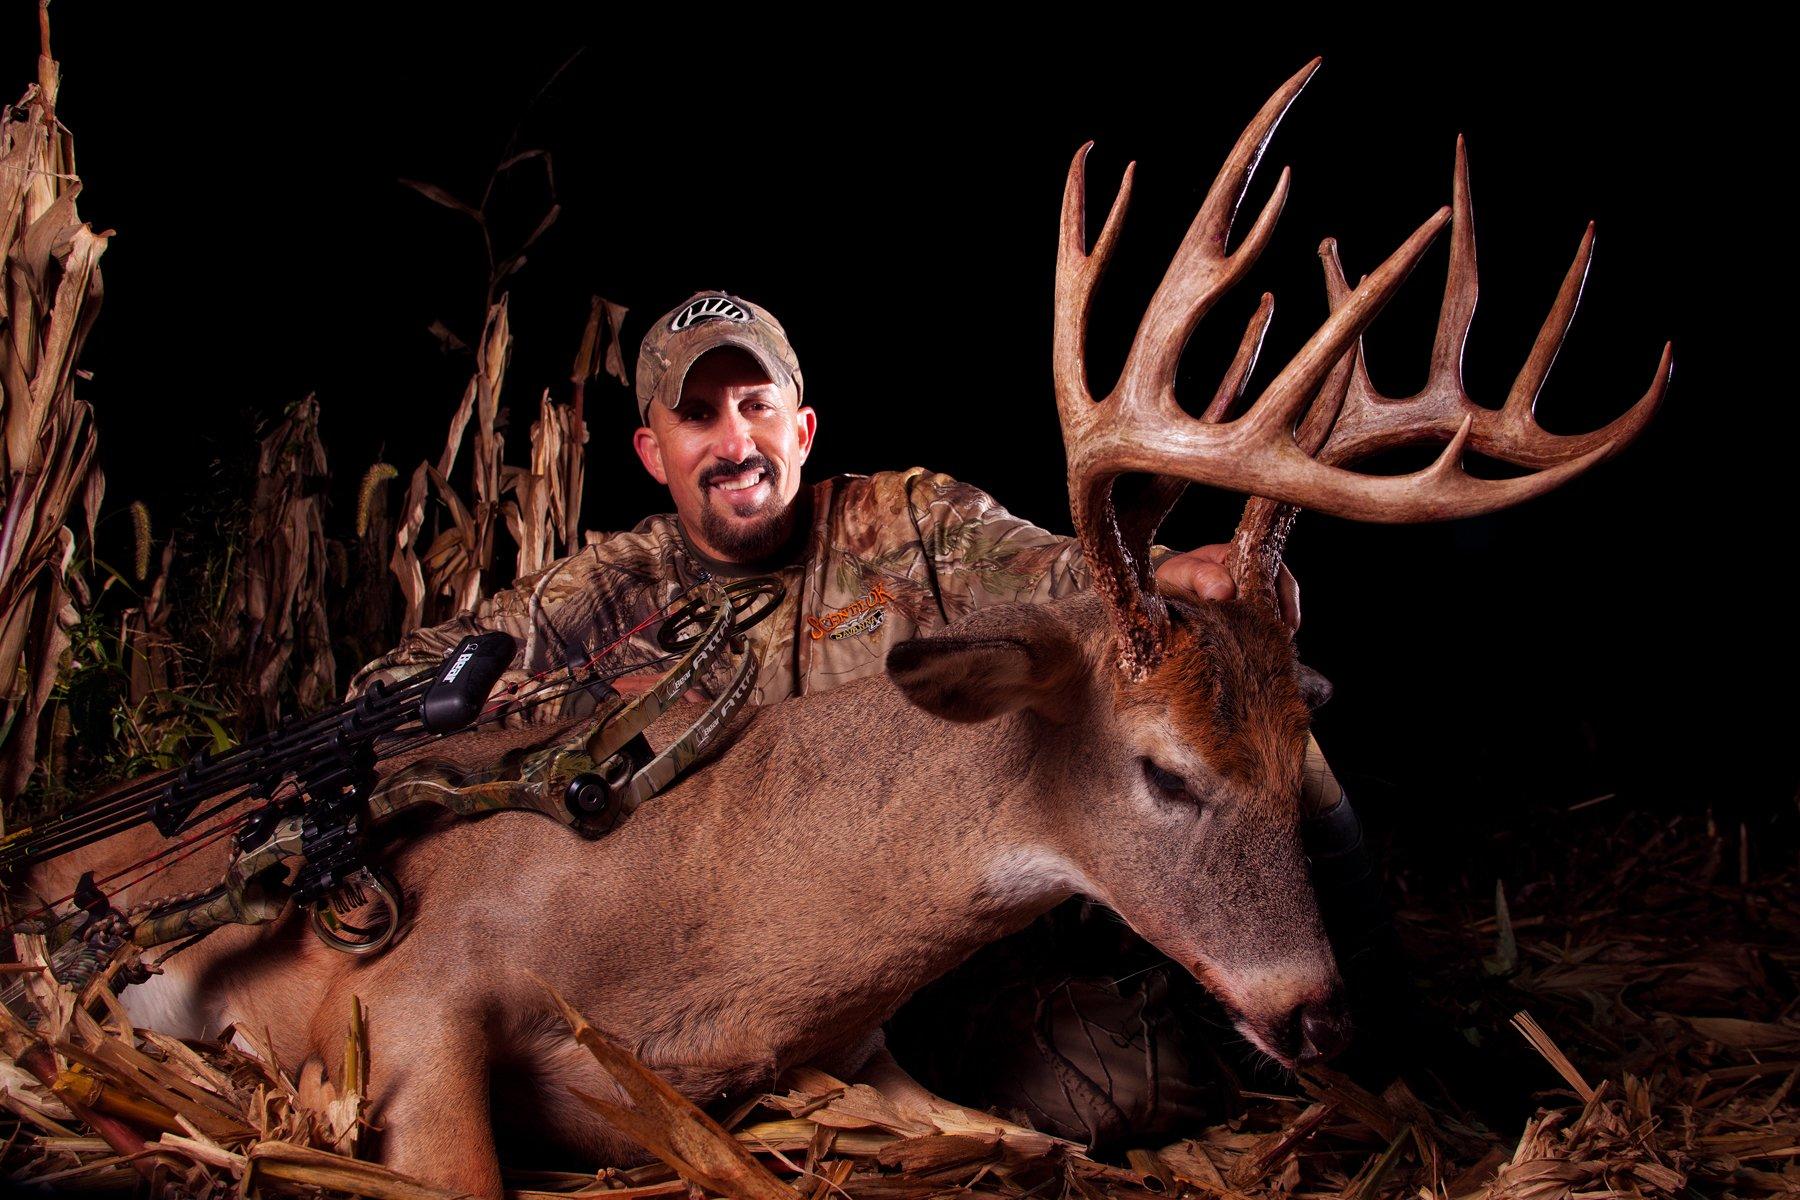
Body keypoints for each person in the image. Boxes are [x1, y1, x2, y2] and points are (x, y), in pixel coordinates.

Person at [350, 289, 1380, 1145]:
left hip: (916, 951)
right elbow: (397, 694)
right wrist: (565, 716)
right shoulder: (604, 593)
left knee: (1133, 1088)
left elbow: (1067, 584)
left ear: (801, 429)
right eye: (698, 417)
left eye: (756, 405)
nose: (735, 441)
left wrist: (1170, 578)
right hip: (703, 934)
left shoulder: (907, 524)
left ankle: (1388, 1015)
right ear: (654, 453)